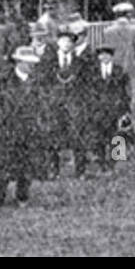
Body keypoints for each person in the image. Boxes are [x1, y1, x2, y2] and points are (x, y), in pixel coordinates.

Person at [0, 46, 46, 208]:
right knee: (3, 163)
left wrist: (39, 122)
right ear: (19, 62)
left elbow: (43, 103)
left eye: (33, 63)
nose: (32, 66)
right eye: (28, 63)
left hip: (29, 127)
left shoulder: (37, 81)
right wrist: (0, 120)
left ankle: (22, 196)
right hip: (9, 128)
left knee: (26, 163)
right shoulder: (3, 80)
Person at [39, 24, 92, 178]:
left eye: (70, 41)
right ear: (58, 42)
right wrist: (48, 98)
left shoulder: (80, 62)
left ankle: (80, 171)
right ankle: (53, 170)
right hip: (54, 104)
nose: (67, 43)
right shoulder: (48, 60)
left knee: (78, 137)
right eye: (63, 40)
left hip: (75, 104)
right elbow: (42, 80)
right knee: (53, 137)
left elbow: (86, 83)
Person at [88, 43, 132, 171]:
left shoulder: (120, 71)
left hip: (116, 108)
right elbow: (91, 91)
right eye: (101, 55)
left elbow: (125, 92)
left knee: (117, 135)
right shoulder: (93, 72)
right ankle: (101, 162)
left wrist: (125, 110)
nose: (104, 57)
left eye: (107, 55)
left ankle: (116, 163)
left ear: (111, 56)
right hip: (99, 109)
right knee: (99, 136)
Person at [104, 0, 135, 116]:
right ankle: (133, 114)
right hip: (131, 64)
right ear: (128, 15)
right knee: (134, 91)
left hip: (115, 65)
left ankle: (116, 113)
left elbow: (105, 50)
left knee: (116, 91)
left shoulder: (108, 31)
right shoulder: (134, 30)